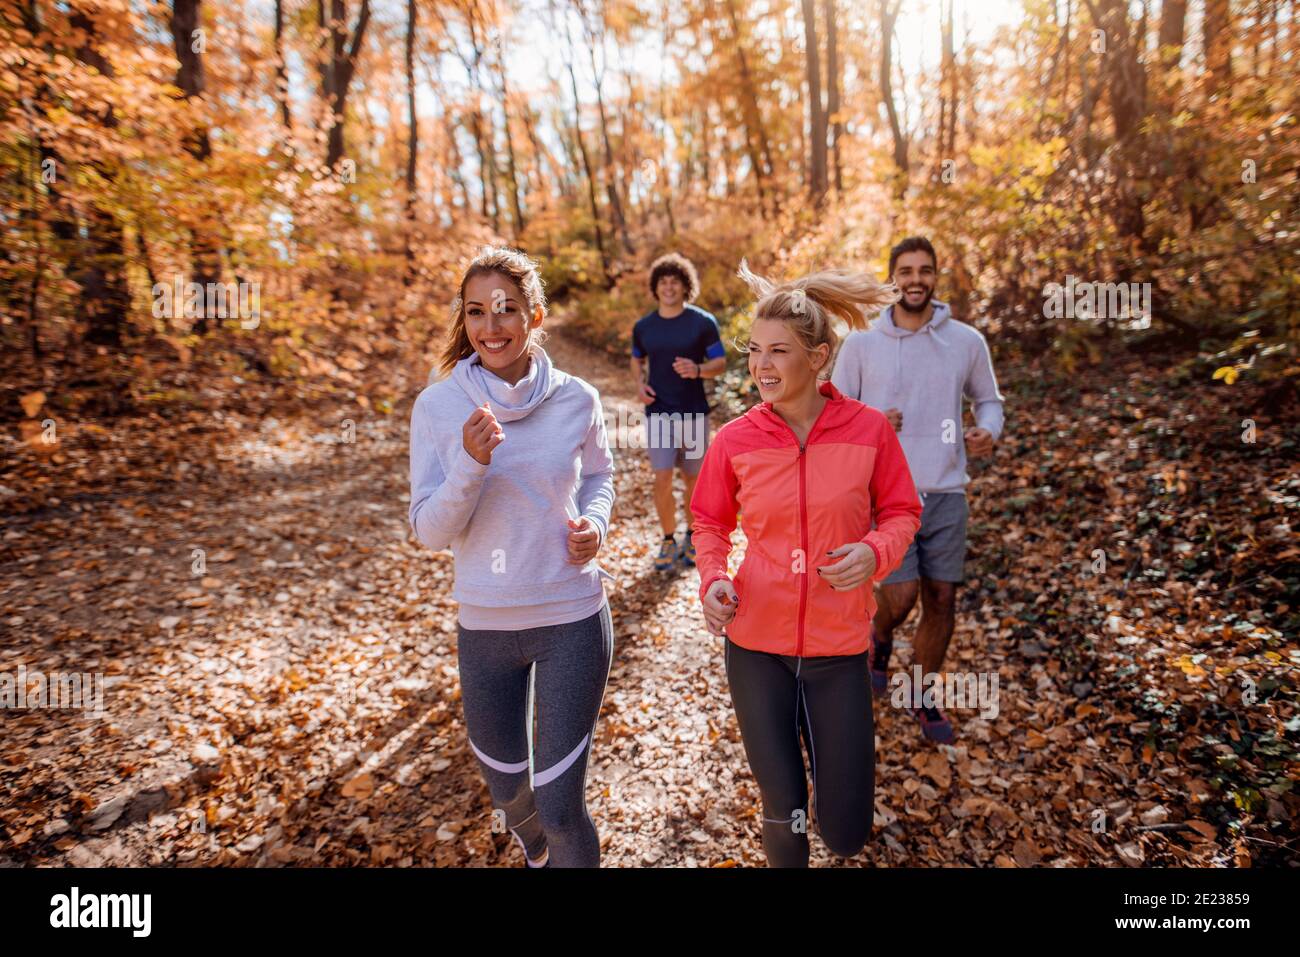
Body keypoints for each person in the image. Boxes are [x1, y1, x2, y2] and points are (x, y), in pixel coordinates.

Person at [691, 260, 922, 868]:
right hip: (756, 644)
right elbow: (710, 523)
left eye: (780, 351)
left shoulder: (869, 430)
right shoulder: (735, 439)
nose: (762, 365)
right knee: (782, 805)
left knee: (845, 830)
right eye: (755, 350)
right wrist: (713, 579)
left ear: (819, 358)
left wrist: (875, 552)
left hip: (839, 648)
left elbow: (902, 511)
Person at [408, 246, 616, 867]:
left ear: (535, 315)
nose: (490, 326)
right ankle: (537, 855)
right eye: (476, 312)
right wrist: (470, 466)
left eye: (505, 310)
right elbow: (429, 531)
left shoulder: (578, 398)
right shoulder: (438, 407)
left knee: (560, 808)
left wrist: (596, 524)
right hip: (486, 628)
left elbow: (601, 476)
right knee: (511, 801)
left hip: (571, 618)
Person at [830, 236, 1005, 744]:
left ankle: (923, 694)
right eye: (905, 271)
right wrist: (869, 422)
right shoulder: (862, 342)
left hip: (948, 490)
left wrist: (988, 431)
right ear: (892, 279)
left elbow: (989, 401)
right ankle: (878, 637)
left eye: (924, 270)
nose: (915, 280)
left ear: (935, 277)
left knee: (942, 598)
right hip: (885, 493)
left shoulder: (965, 341)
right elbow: (833, 413)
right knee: (901, 594)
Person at [630, 252, 727, 571]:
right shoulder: (644, 326)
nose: (669, 287)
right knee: (661, 478)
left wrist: (698, 369)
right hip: (659, 413)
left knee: (694, 480)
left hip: (695, 414)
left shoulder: (703, 322)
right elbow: (636, 358)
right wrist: (639, 385)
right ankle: (668, 540)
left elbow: (720, 363)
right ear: (655, 288)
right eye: (663, 282)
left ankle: (692, 535)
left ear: (686, 286)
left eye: (675, 282)